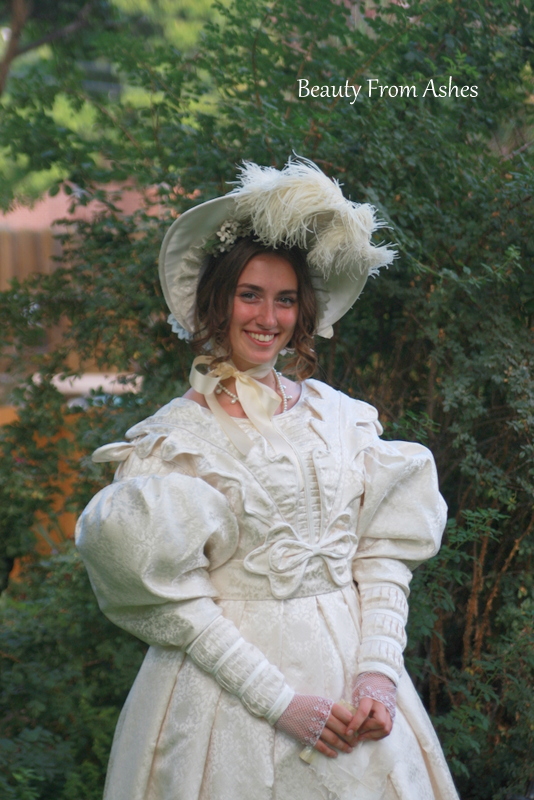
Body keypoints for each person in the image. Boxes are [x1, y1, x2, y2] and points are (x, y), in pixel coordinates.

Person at [76, 157, 460, 800]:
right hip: (227, 708)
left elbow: (382, 556)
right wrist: (280, 702)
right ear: (216, 301)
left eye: (285, 300)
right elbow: (175, 605)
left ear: (303, 310)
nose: (268, 317)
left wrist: (376, 674)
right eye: (249, 295)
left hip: (354, 690)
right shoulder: (173, 444)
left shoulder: (343, 419)